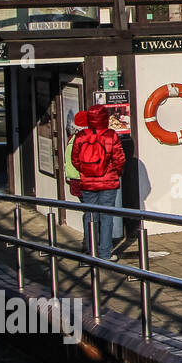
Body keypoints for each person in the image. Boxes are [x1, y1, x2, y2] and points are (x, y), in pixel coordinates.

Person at [70, 104, 126, 261]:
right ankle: (105, 253)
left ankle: (91, 250)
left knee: (90, 215)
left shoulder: (81, 136)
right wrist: (116, 173)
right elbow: (119, 159)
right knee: (107, 217)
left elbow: (75, 159)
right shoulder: (111, 136)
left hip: (88, 182)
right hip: (108, 182)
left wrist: (85, 171)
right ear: (104, 118)